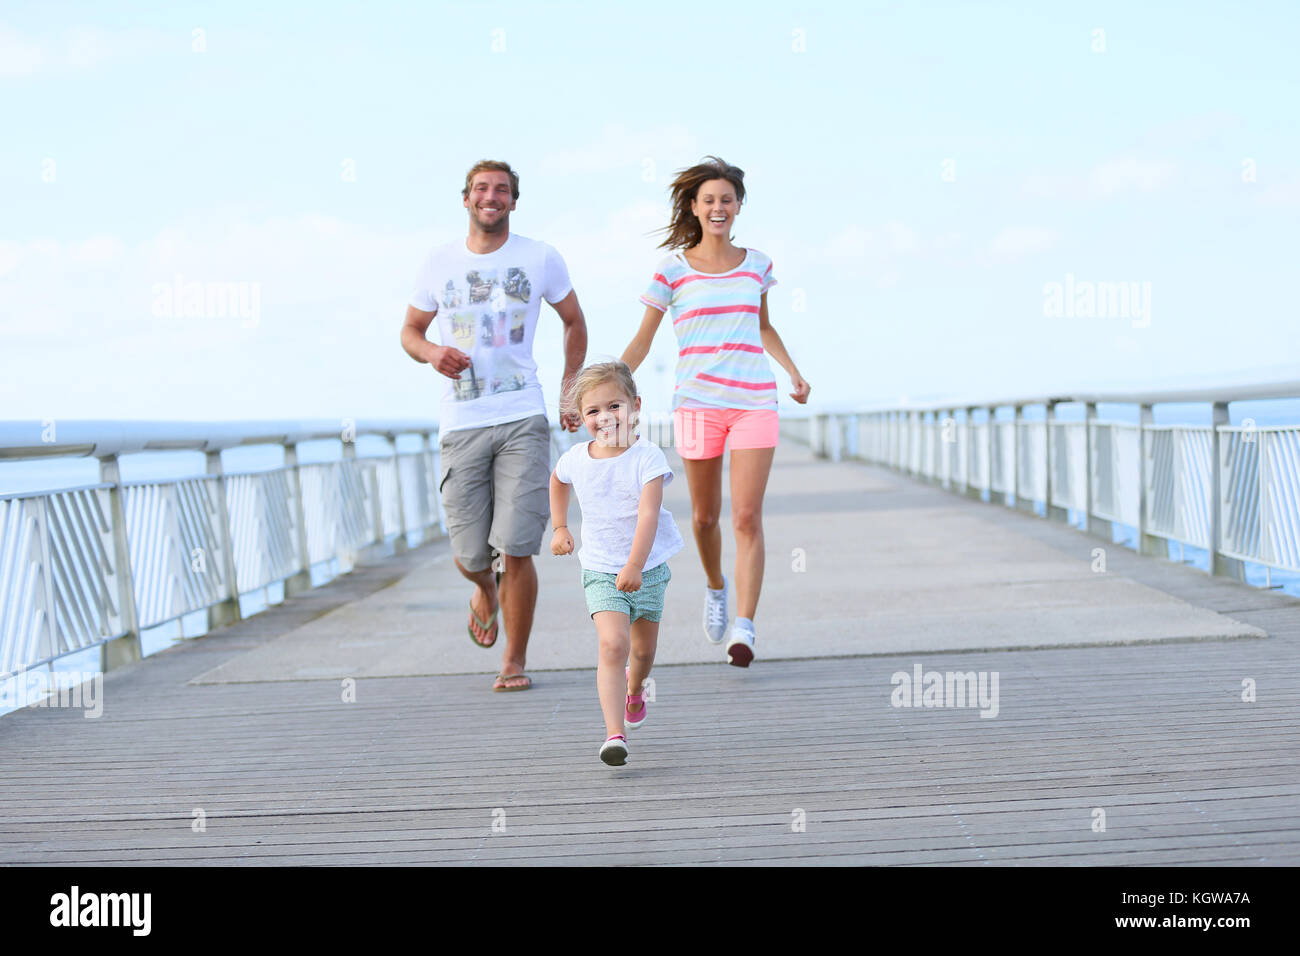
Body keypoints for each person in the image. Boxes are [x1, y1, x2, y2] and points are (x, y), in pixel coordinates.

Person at [401, 159, 587, 692]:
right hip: (461, 421)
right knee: (470, 554)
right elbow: (411, 331)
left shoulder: (540, 257)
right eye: (482, 189)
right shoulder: (438, 262)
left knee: (518, 546)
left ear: (513, 201)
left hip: (522, 416)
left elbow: (574, 321)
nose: (491, 197)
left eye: (501, 190)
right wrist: (433, 351)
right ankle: (484, 589)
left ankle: (513, 660)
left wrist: (569, 389)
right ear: (466, 199)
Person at [621, 156, 810, 667]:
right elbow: (643, 340)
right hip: (698, 403)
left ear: (739, 206)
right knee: (706, 516)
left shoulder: (757, 263)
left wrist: (791, 371)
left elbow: (763, 325)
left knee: (747, 516)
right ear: (694, 207)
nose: (719, 208)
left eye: (727, 199)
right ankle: (715, 584)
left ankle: (744, 627)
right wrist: (609, 384)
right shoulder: (672, 270)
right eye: (709, 200)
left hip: (753, 401)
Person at [549, 361, 684, 766]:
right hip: (601, 569)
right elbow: (557, 480)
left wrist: (636, 565)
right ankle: (614, 735)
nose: (605, 418)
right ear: (580, 418)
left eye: (614, 406)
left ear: (635, 405)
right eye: (593, 411)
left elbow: (647, 515)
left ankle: (636, 689)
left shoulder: (648, 457)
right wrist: (560, 527)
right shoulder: (576, 457)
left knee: (641, 655)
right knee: (613, 645)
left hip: (648, 569)